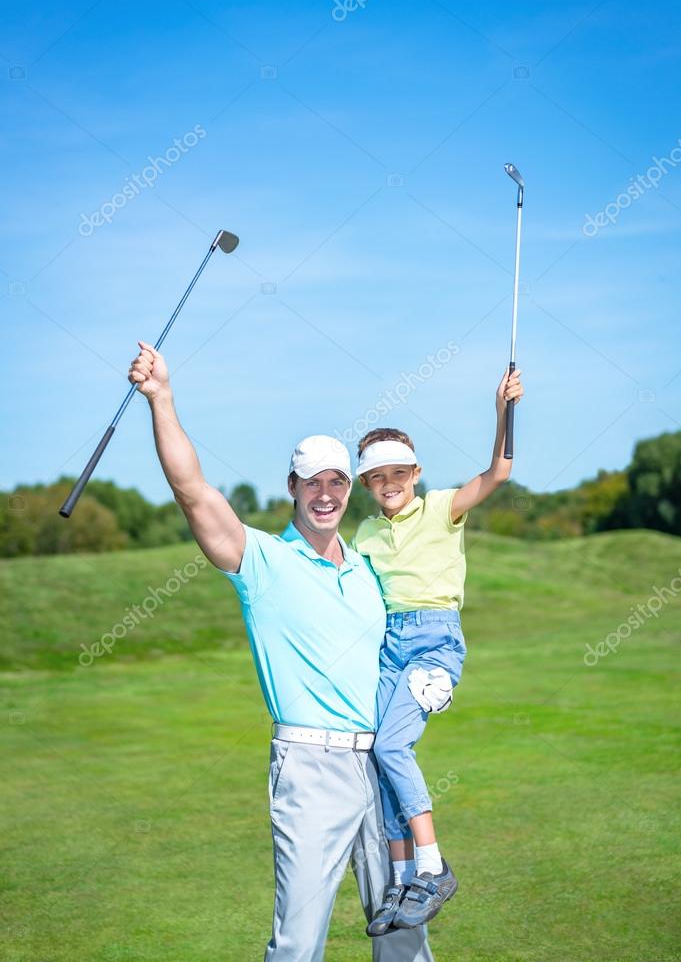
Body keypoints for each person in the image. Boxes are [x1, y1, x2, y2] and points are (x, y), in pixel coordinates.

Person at [128, 339, 435, 962]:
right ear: (292, 486)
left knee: (404, 938)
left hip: (378, 767)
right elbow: (193, 491)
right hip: (309, 769)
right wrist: (161, 398)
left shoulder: (370, 569)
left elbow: (425, 621)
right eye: (312, 482)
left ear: (350, 488)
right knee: (298, 943)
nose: (326, 494)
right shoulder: (263, 559)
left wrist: (435, 675)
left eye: (337, 481)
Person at [352, 368, 524, 936]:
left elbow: (499, 471)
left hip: (433, 639)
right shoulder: (365, 536)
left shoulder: (443, 507)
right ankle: (402, 878)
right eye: (376, 478)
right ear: (367, 484)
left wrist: (502, 410)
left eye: (398, 473)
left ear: (416, 472)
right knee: (377, 757)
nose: (389, 484)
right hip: (388, 646)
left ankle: (433, 867)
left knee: (394, 745)